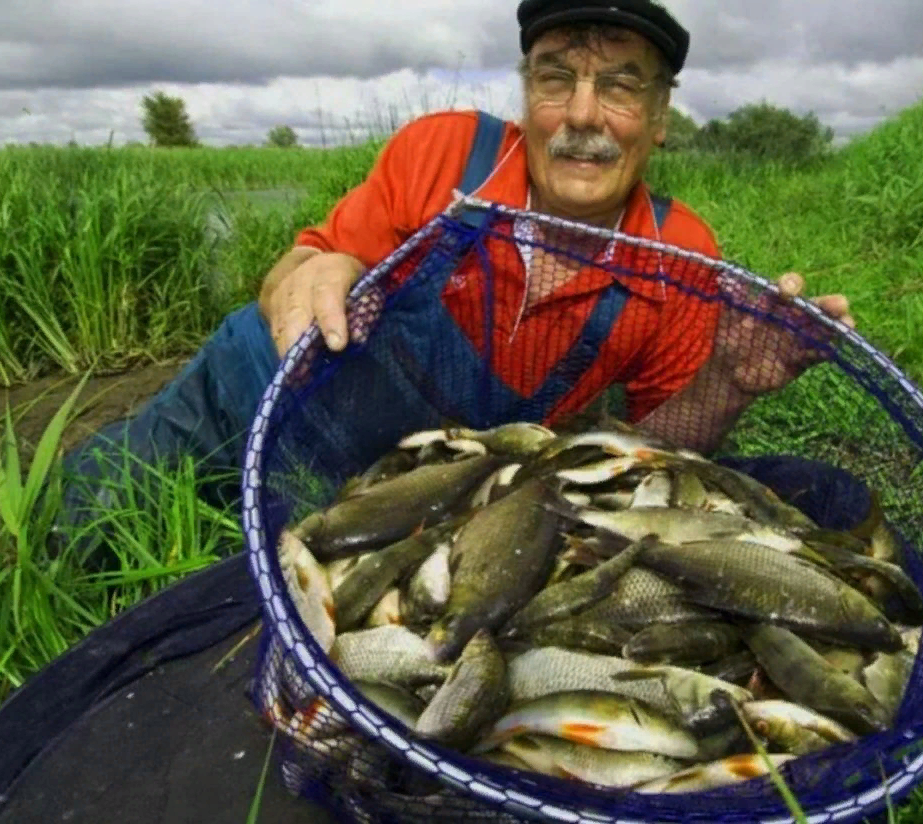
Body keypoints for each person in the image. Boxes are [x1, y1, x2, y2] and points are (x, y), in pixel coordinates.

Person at [51, 0, 864, 569]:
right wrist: (318, 271)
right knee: (71, 536)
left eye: (619, 84)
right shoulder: (444, 153)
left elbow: (654, 449)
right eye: (555, 77)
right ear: (526, 93)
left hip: (393, 494)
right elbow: (293, 269)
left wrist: (728, 381)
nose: (581, 113)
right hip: (245, 391)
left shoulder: (679, 255)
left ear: (658, 117)